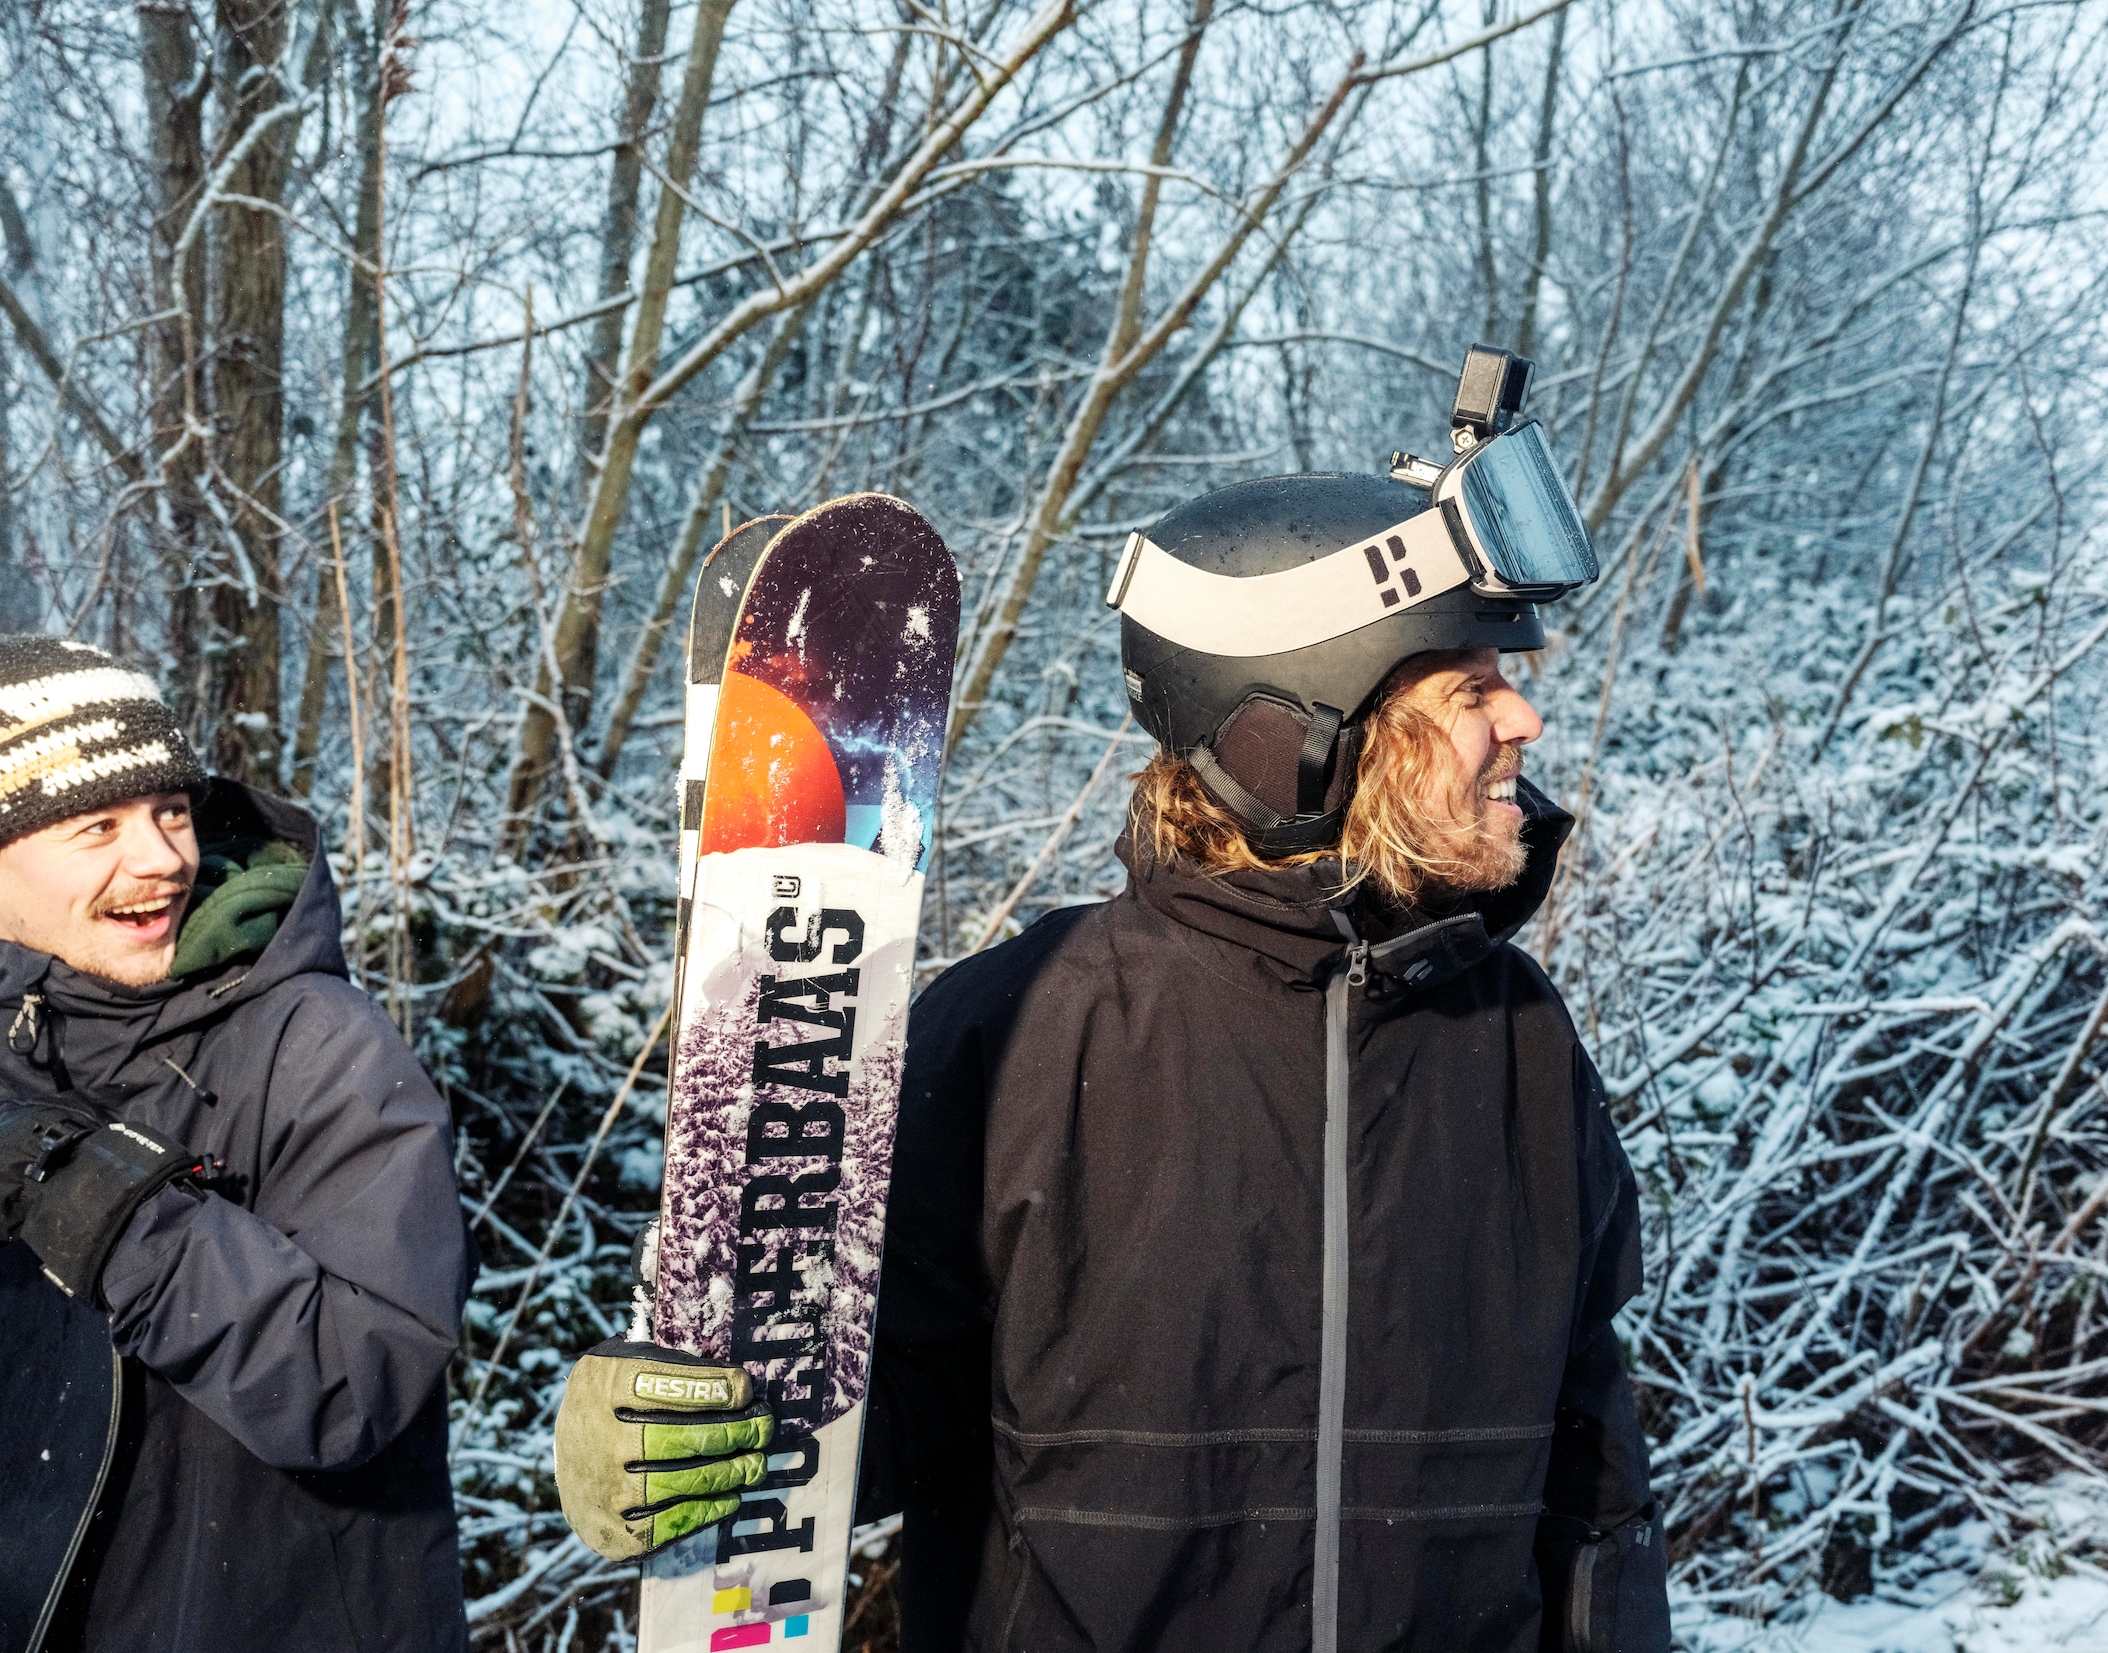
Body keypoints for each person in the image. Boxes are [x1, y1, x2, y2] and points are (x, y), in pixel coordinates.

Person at [553, 349, 1668, 1650]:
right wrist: (701, 1435)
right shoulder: (1022, 1031)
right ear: (1303, 728)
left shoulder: (1516, 1040)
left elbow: (1590, 1471)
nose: (1524, 720)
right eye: (1473, 687)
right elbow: (871, 1417)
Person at [0, 635, 473, 1650]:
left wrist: (107, 1207)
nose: (161, 858)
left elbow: (356, 1380)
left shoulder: (318, 1049)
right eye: (98, 826)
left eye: (171, 810)